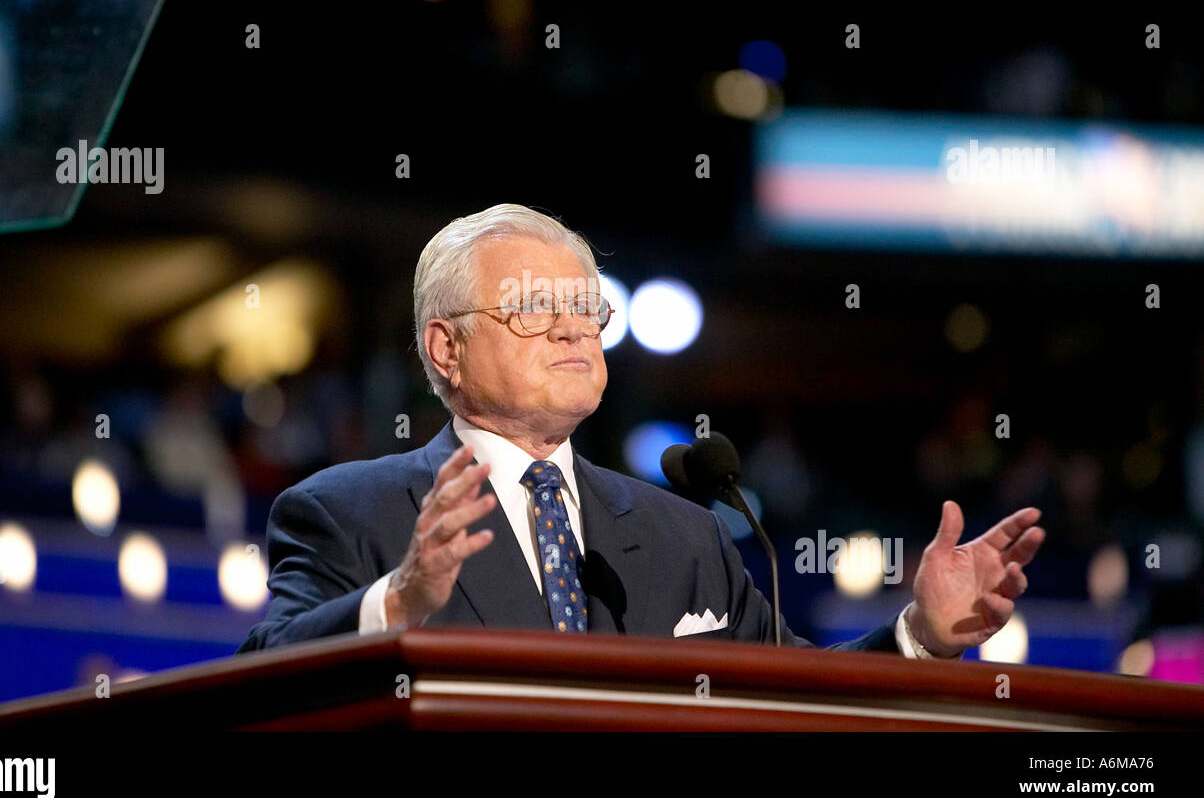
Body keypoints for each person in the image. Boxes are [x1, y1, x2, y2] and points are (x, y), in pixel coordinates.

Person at [237, 204, 1044, 657]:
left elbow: (798, 695)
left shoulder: (687, 534)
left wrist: (920, 633)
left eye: (587, 311)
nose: (573, 333)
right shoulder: (346, 511)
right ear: (446, 347)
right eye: (534, 310)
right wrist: (401, 600)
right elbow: (264, 671)